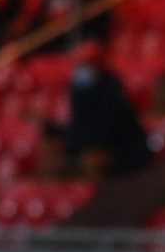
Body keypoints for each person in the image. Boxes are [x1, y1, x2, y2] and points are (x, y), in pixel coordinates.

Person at [56, 41, 152, 179]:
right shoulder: (78, 92)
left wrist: (95, 152)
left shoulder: (112, 93)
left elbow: (110, 130)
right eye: (79, 65)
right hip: (95, 150)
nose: (80, 70)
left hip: (124, 156)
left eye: (85, 65)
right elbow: (78, 126)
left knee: (93, 161)